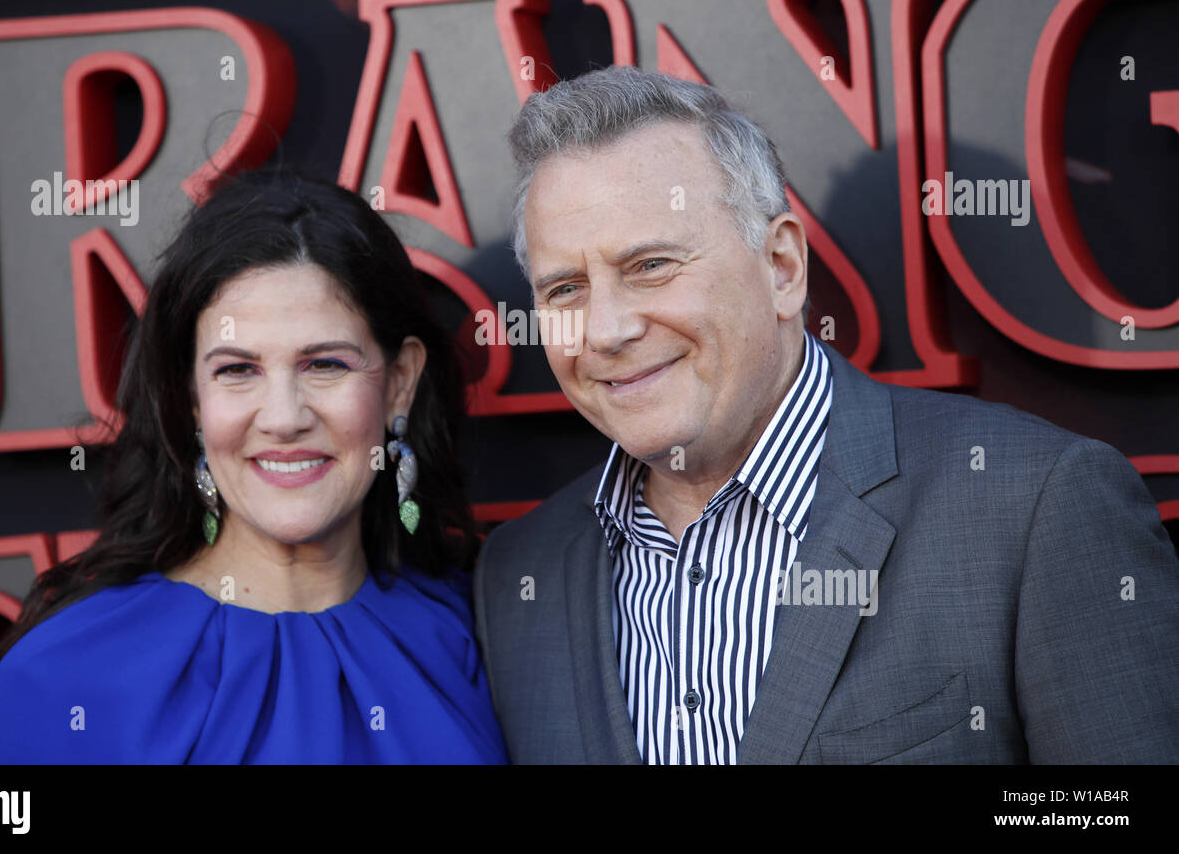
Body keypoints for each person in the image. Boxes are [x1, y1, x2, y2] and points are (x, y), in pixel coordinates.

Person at [474, 64, 1179, 764]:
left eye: (650, 266)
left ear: (781, 266)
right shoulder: (517, 574)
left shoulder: (1032, 505)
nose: (606, 329)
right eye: (565, 288)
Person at [0, 170, 508, 764]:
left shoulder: (478, 638)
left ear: (399, 383)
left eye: (325, 363)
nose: (283, 417)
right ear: (192, 399)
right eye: (237, 369)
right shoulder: (64, 675)